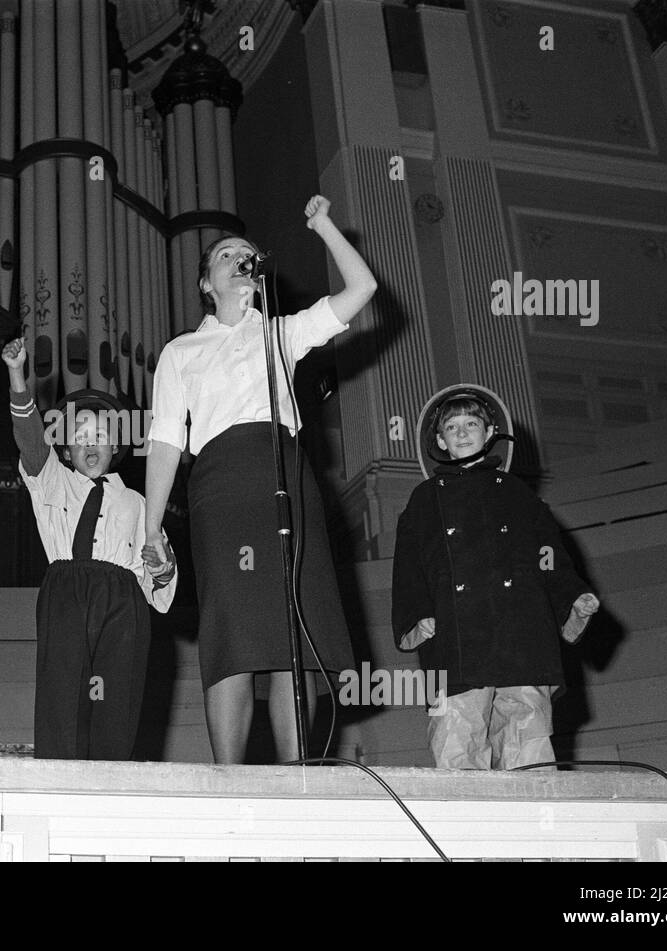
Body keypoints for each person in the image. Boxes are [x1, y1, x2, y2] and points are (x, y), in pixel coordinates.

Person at [142, 195, 377, 764]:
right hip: (222, 489)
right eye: (226, 253)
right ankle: (229, 781)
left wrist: (322, 226)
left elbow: (362, 289)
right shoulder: (181, 352)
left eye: (248, 253)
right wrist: (152, 529)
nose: (240, 258)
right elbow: (167, 440)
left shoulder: (282, 332)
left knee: (292, 636)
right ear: (206, 282)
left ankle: (297, 782)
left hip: (287, 480)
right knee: (235, 637)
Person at [392, 385, 600, 769]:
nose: (463, 432)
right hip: (455, 635)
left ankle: (537, 825)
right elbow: (408, 566)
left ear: (489, 434)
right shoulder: (423, 499)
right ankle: (463, 827)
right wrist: (417, 613)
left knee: (529, 740)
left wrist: (572, 596)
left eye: (472, 423)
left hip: (520, 630)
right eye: (452, 427)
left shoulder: (518, 493)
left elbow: (547, 552)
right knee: (456, 738)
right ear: (439, 440)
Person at [2, 337, 177, 760]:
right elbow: (28, 438)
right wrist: (16, 375)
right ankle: (59, 782)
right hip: (67, 592)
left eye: (100, 435)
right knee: (63, 696)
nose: (90, 443)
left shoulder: (138, 502)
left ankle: (110, 785)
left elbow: (159, 570)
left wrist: (161, 567)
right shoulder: (51, 481)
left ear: (116, 448)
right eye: (79, 437)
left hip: (123, 597)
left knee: (116, 698)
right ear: (65, 450)